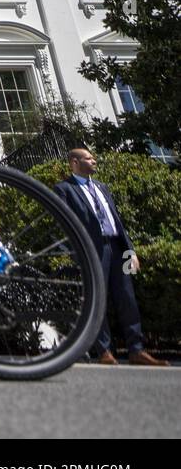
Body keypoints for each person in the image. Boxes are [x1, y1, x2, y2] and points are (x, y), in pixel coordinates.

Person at [53, 148, 167, 366]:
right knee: (99, 299)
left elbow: (117, 221)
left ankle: (136, 350)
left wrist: (130, 250)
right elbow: (63, 223)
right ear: (75, 162)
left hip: (118, 248)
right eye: (88, 158)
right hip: (93, 250)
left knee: (127, 298)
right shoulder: (64, 189)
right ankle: (104, 351)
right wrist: (77, 251)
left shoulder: (101, 187)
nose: (94, 160)